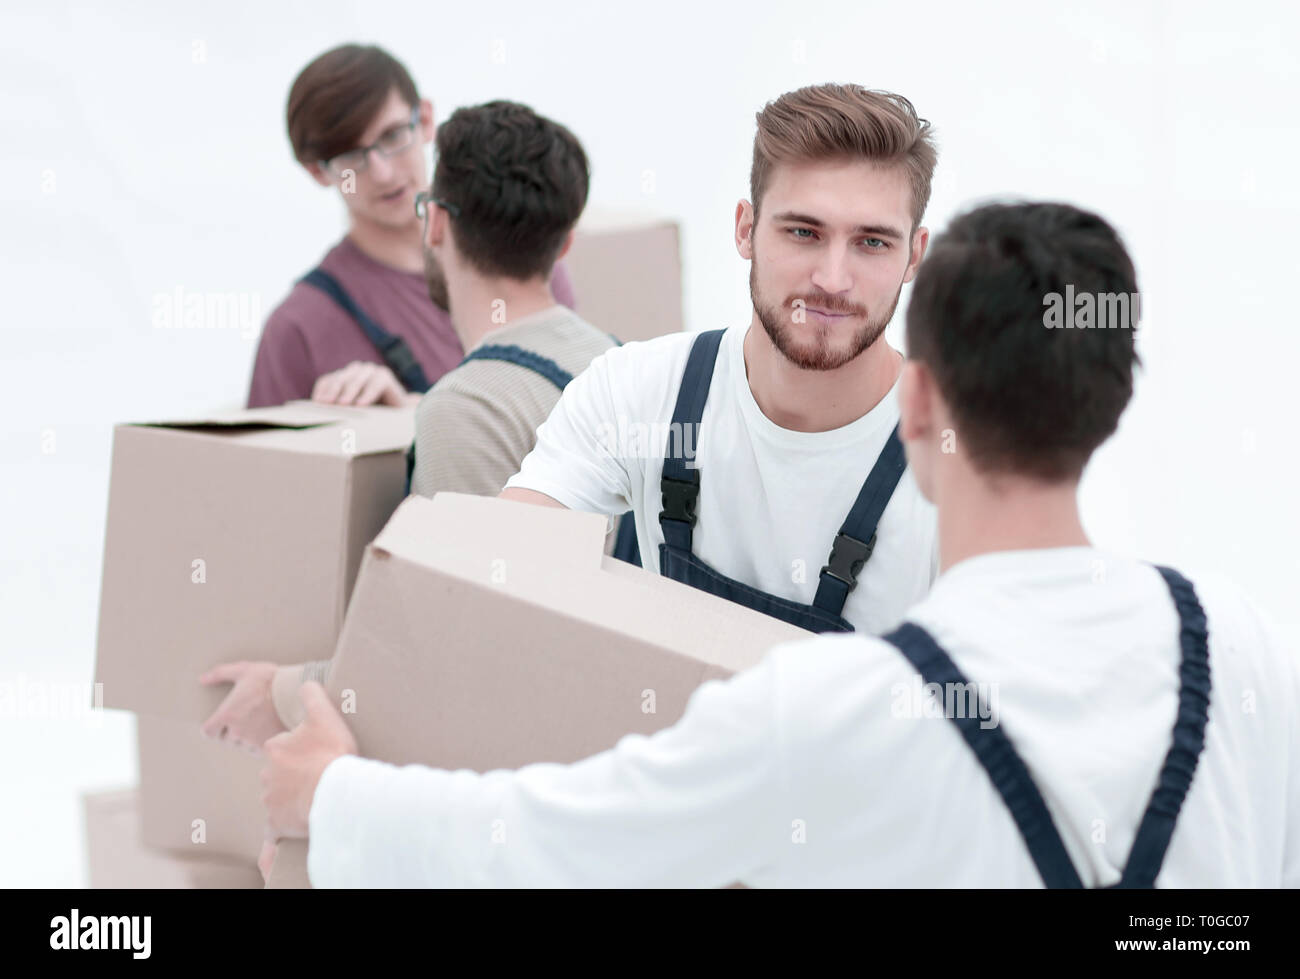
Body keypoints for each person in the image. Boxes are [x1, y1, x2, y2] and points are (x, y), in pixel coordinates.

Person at [262, 201, 1297, 888]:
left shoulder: (839, 709)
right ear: (1112, 405)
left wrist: (335, 794)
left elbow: (562, 843)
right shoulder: (1242, 646)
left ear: (919, 395)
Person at [203, 100, 616, 744]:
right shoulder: (621, 363)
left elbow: (448, 657)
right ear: (563, 243)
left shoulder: (466, 411)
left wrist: (284, 692)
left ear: (436, 225)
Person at [501, 83, 941, 636]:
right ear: (745, 229)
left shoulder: (961, 472)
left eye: (871, 242)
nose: (832, 280)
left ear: (914, 256)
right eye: (804, 232)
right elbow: (501, 574)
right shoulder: (636, 391)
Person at [245, 44, 578, 409]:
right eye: (350, 157)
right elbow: (266, 463)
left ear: (425, 121)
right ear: (316, 171)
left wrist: (412, 413)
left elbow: (572, 428)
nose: (383, 173)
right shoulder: (298, 329)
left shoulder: (523, 259)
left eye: (391, 136)